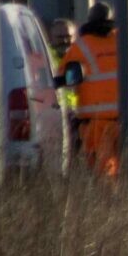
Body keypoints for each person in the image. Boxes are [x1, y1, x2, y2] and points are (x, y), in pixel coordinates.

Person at [60, 0, 128, 178]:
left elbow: (63, 79)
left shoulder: (80, 47)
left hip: (97, 122)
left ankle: (112, 204)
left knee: (104, 174)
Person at [43, 17, 80, 159]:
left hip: (77, 114)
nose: (64, 41)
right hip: (53, 114)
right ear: (51, 38)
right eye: (60, 37)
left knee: (75, 157)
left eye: (68, 37)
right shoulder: (45, 58)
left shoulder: (80, 56)